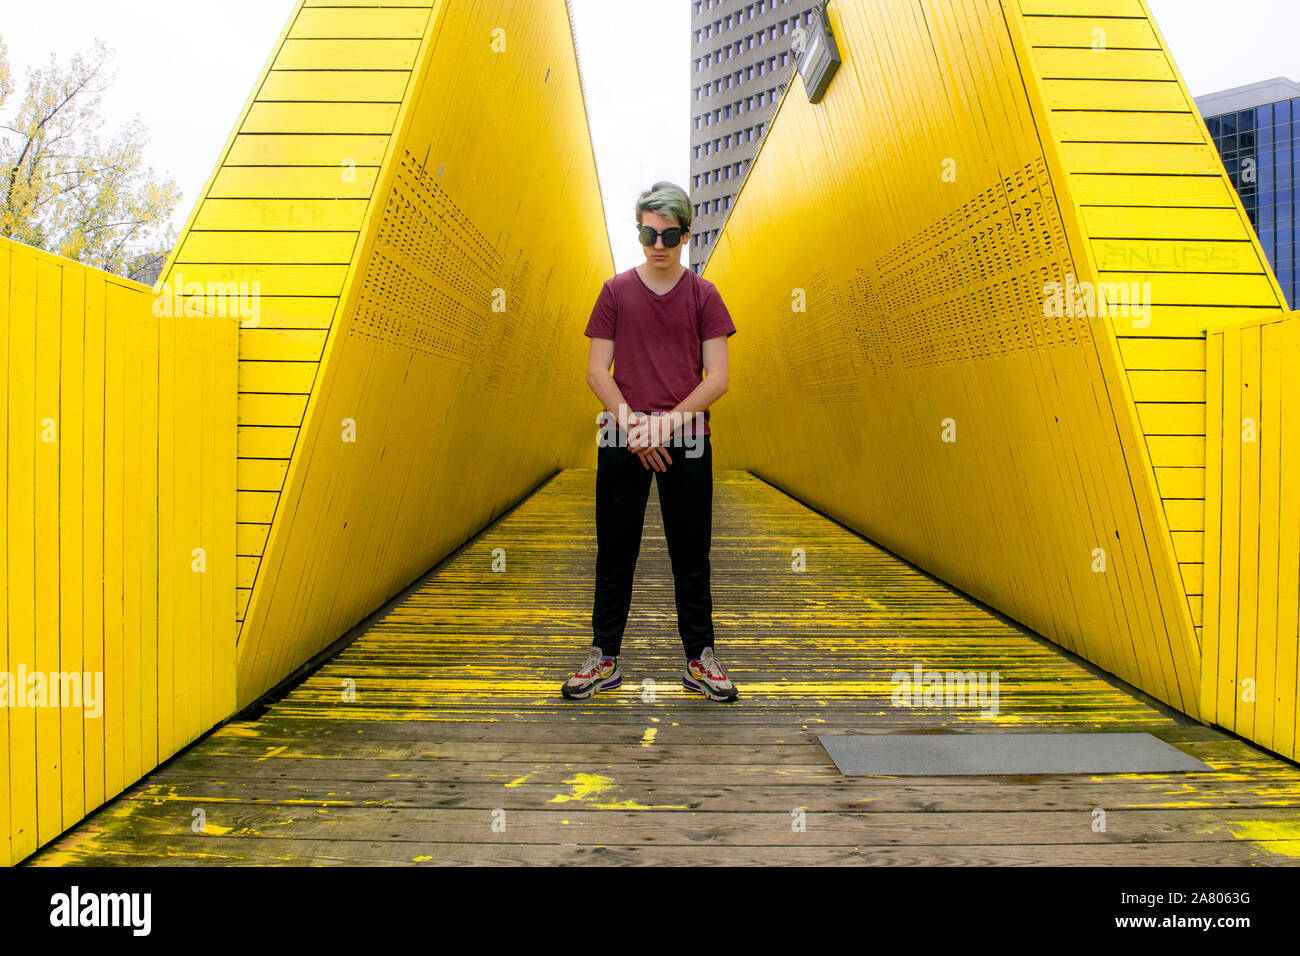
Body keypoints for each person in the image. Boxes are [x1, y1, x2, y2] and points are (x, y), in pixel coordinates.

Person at [561, 181, 739, 703]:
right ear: (638, 231)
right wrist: (636, 428)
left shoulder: (705, 295)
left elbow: (717, 378)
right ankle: (604, 657)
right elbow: (597, 370)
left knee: (692, 554)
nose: (657, 244)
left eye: (669, 234)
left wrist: (663, 425)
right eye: (648, 233)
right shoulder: (614, 291)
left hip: (685, 441)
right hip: (623, 439)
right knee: (615, 552)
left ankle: (700, 660)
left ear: (686, 235)